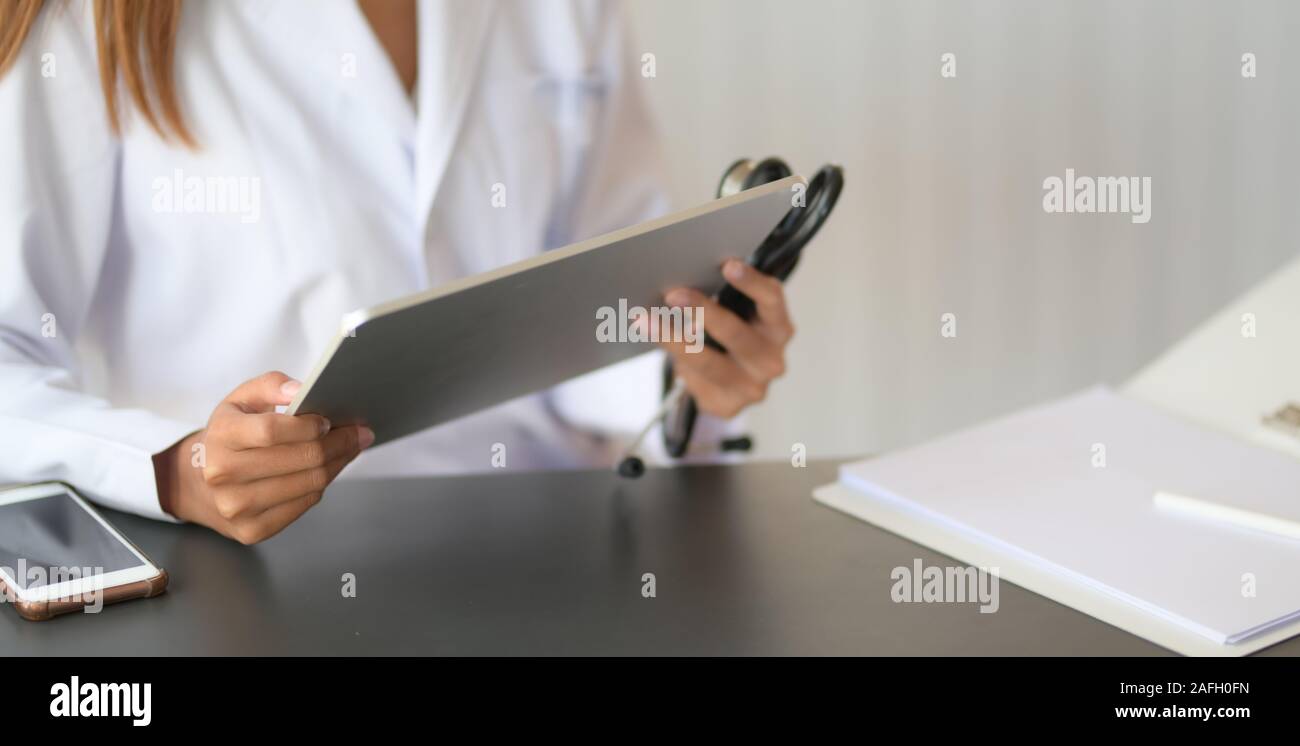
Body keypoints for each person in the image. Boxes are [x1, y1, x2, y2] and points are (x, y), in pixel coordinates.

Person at [0, 0, 794, 544]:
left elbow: (590, 294)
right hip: (256, 570)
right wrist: (175, 469)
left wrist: (688, 369)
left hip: (557, 541)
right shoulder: (92, 18)